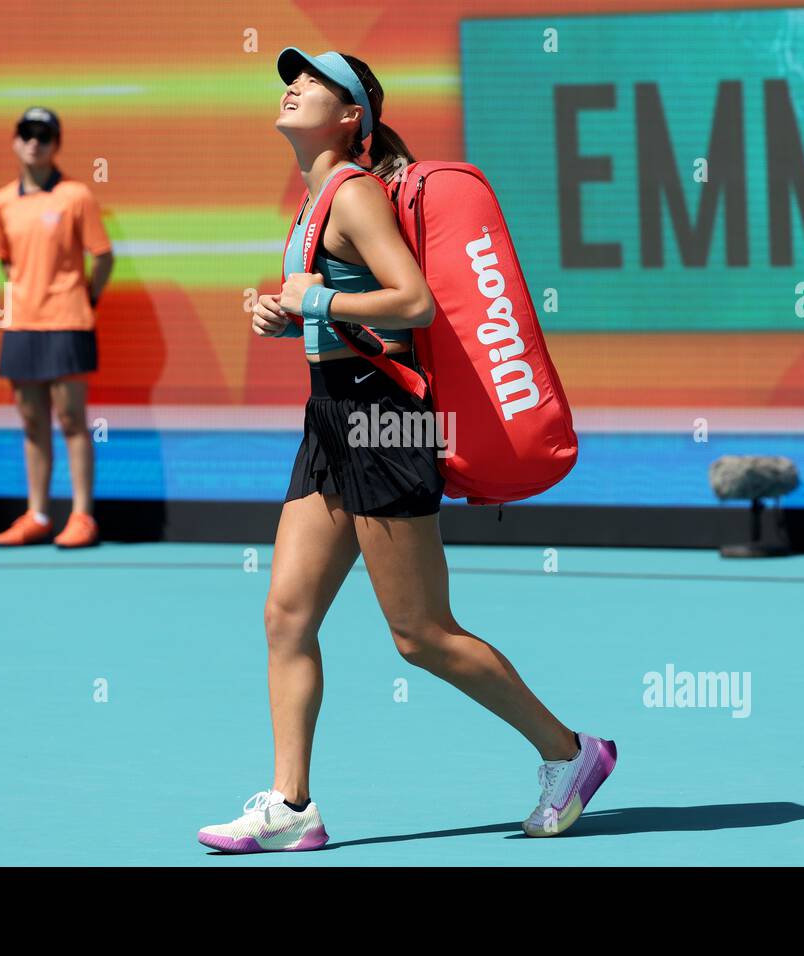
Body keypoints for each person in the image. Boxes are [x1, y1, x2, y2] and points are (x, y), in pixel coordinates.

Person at [196, 49, 616, 853]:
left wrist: (312, 297)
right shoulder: (317, 198)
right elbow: (353, 311)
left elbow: (414, 301)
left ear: (352, 116)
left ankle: (572, 753)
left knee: (420, 634)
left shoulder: (352, 193)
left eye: (314, 82)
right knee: (287, 615)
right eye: (292, 77)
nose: (293, 87)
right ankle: (292, 807)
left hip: (385, 423)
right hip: (331, 417)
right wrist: (290, 314)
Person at [0, 107, 114, 548]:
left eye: (43, 135)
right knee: (31, 421)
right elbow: (6, 259)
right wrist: (27, 294)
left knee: (71, 419)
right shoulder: (3, 200)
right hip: (21, 323)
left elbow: (102, 256)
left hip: (67, 321)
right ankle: (38, 514)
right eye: (26, 134)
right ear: (15, 140)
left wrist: (85, 299)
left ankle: (81, 516)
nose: (34, 142)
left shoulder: (76, 196)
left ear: (56, 144)